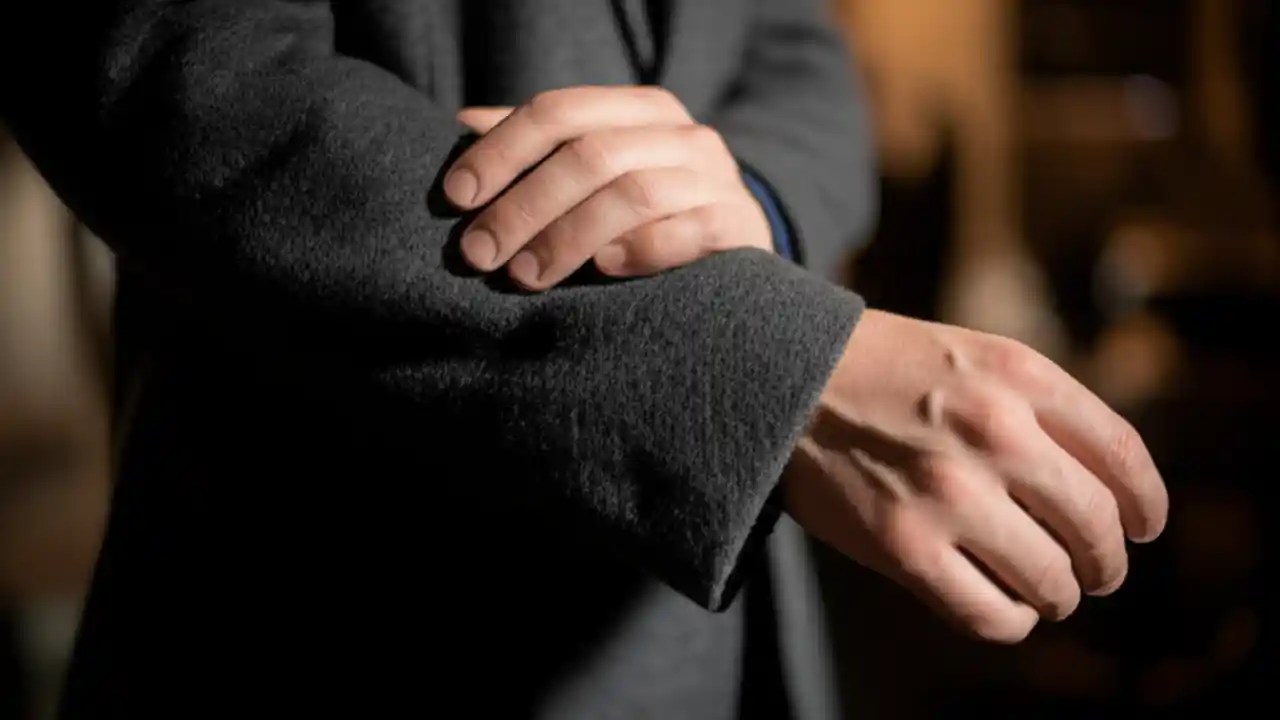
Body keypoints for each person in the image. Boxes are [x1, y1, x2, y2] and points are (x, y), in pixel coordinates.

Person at [0, 1, 1168, 717]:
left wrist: (747, 197)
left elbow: (800, 47)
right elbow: (167, 63)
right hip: (323, 626)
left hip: (721, 650)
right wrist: (773, 368)